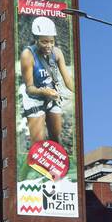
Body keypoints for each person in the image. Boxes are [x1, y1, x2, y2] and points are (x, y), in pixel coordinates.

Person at [19, 16, 75, 146]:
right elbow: (29, 88)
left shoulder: (57, 53)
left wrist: (81, 94)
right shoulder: (27, 55)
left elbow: (68, 80)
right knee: (38, 141)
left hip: (52, 96)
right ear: (36, 39)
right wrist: (44, 92)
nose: (49, 46)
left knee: (56, 138)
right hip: (34, 97)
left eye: (51, 41)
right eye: (44, 42)